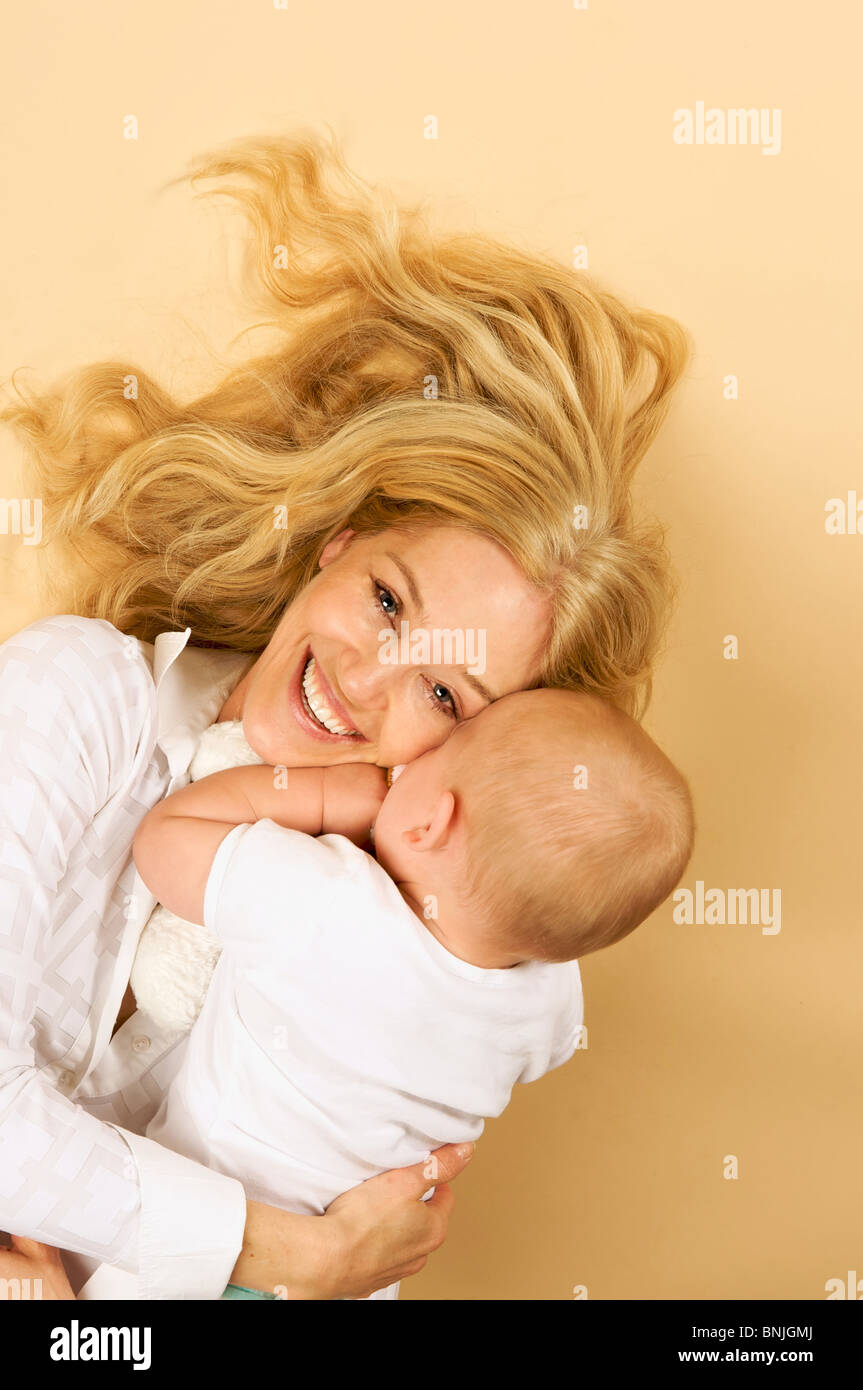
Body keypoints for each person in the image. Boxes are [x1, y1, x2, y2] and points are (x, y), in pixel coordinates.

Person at [0, 127, 690, 1299]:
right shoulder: (78, 700)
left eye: (441, 689)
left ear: (480, 753)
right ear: (337, 546)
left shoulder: (397, 957)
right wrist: (282, 1251)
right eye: (384, 599)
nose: (363, 680)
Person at [129, 687, 694, 1301]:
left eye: (444, 747)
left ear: (430, 823)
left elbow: (166, 837)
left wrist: (319, 796)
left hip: (213, 1246)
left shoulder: (323, 896)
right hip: (356, 1274)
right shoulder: (549, 1001)